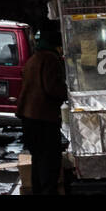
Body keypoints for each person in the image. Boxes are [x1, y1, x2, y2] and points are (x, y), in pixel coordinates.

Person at [16, 27, 68, 196]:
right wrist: (67, 91)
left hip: (29, 118)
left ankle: (39, 191)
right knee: (49, 161)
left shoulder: (34, 59)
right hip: (43, 119)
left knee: (38, 159)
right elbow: (52, 87)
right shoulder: (50, 59)